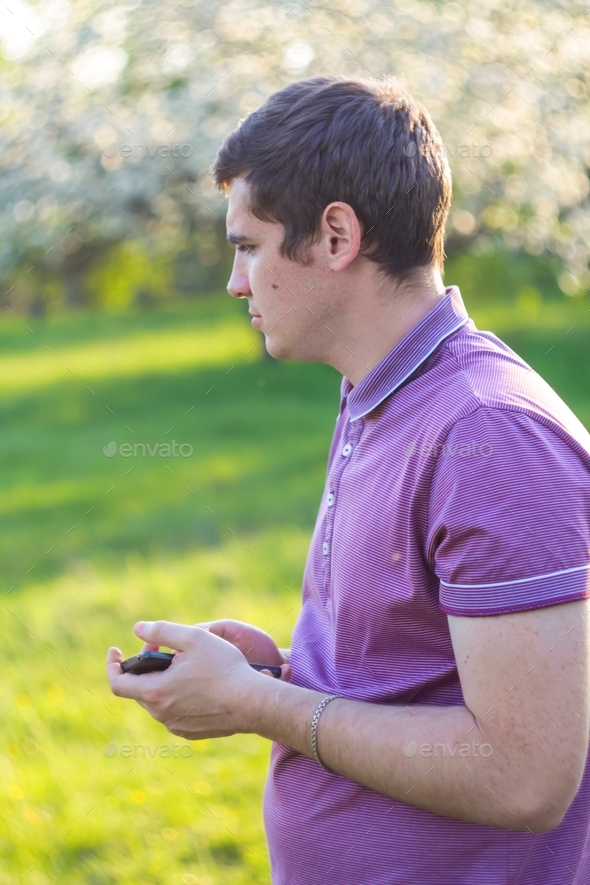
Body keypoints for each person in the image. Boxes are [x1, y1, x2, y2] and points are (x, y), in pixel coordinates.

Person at [107, 76, 590, 884]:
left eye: (248, 245)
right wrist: (288, 671)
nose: (236, 282)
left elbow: (524, 774)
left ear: (336, 236)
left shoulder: (489, 433)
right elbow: (437, 668)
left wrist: (257, 704)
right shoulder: (383, 391)